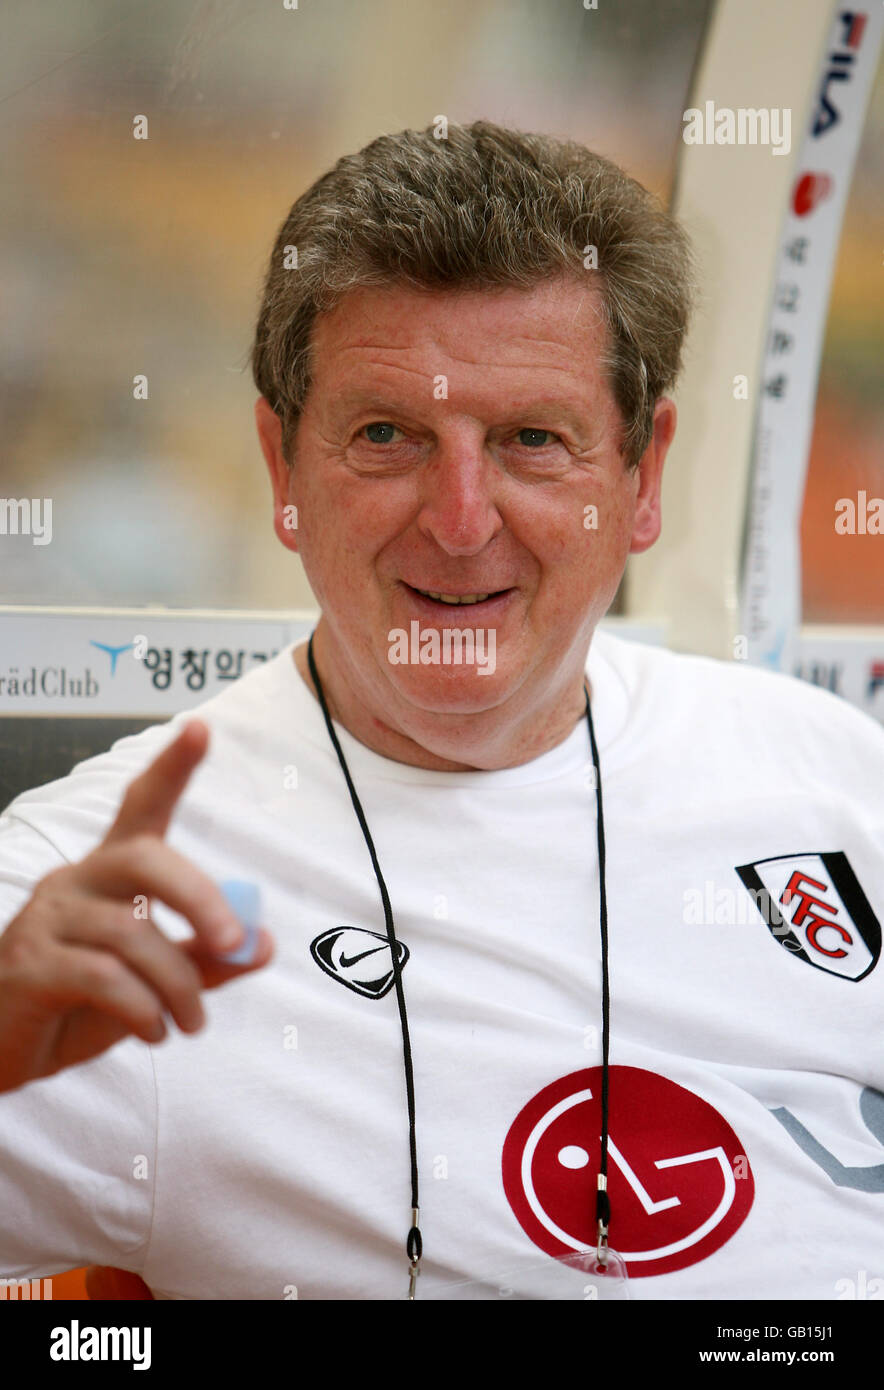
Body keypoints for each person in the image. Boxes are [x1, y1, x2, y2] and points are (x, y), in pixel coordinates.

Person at [0, 120, 882, 1302]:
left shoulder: (833, 775)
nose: (460, 519)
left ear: (642, 475)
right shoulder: (93, 894)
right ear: (282, 471)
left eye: (530, 440)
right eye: (386, 436)